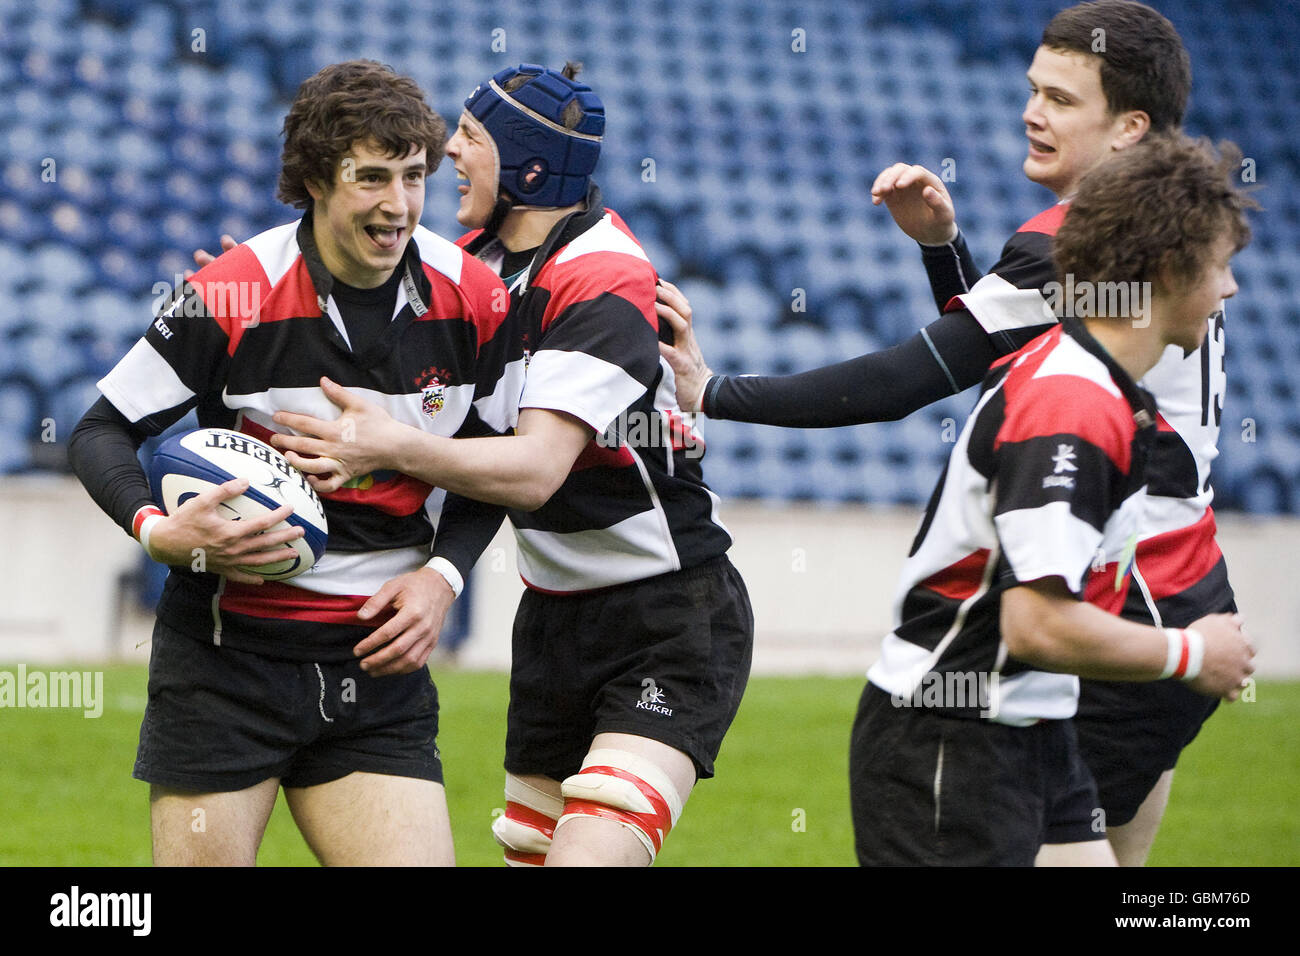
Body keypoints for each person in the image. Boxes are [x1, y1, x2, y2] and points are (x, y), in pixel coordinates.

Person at [658, 0, 1233, 866]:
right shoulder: (1163, 246)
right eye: (1032, 89)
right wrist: (945, 253)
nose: (1031, 113)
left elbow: (908, 379)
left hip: (1111, 607)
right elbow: (1032, 353)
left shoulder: (1073, 245)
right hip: (1175, 585)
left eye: (1062, 99)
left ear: (1130, 129)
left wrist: (714, 393)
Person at [266, 63, 754, 867]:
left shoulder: (601, 276)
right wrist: (274, 298)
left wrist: (389, 445)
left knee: (591, 851)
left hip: (669, 617)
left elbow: (532, 470)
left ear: (527, 167)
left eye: (472, 136)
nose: (448, 149)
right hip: (554, 617)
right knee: (533, 853)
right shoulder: (476, 265)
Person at [67, 60, 524, 866]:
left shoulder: (476, 298)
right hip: (224, 665)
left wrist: (441, 577)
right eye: (371, 178)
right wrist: (157, 531)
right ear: (315, 179)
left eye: (414, 177)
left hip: (377, 670)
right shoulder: (233, 291)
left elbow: (492, 466)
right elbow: (100, 429)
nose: (399, 206)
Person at [853, 133, 1254, 865]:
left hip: (1030, 720)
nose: (1230, 289)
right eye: (1222, 265)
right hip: (952, 735)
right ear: (1168, 270)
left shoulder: (1105, 386)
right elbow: (1036, 623)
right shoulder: (1074, 403)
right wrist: (1191, 650)